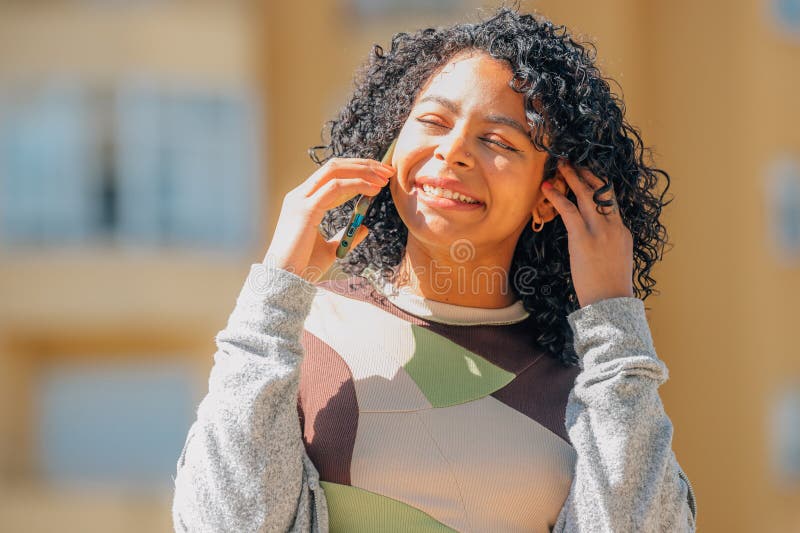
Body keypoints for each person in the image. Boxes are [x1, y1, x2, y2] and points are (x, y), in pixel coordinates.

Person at [172, 5, 697, 532]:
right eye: (433, 121)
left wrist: (612, 319)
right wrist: (276, 292)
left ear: (550, 196)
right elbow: (224, 521)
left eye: (498, 140)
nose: (453, 152)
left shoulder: (595, 383)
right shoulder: (296, 336)